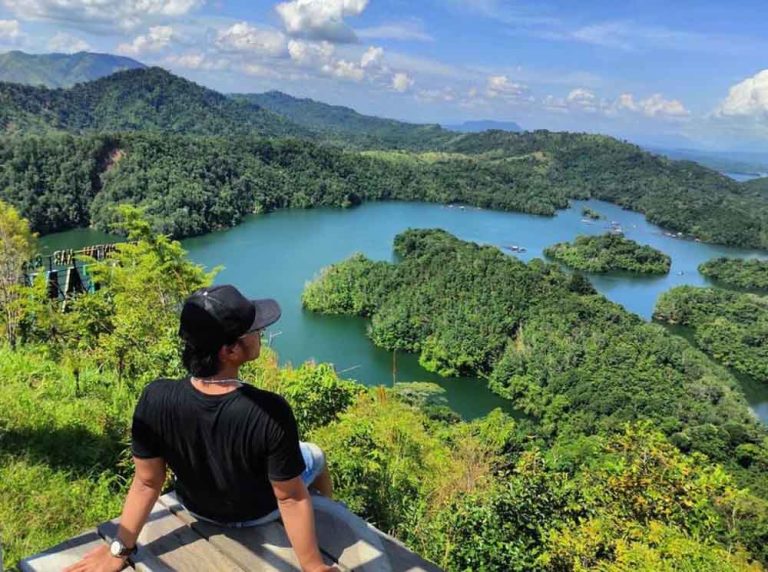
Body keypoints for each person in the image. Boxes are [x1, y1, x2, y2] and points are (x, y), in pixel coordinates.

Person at [66, 285, 336, 572]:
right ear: (230, 350)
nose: (260, 335)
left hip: (195, 507)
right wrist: (313, 567)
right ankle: (328, 513)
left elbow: (147, 482)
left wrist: (118, 550)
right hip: (257, 513)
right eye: (254, 331)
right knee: (314, 455)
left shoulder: (155, 398)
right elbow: (289, 497)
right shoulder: (269, 411)